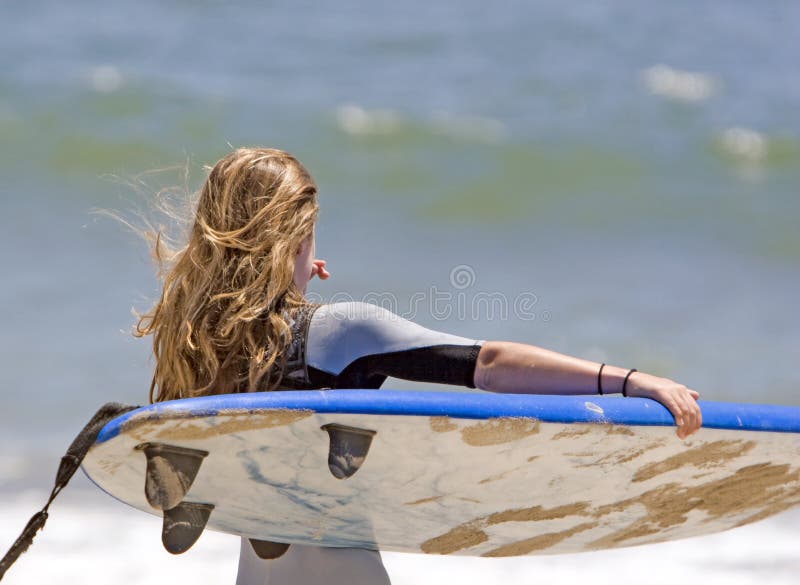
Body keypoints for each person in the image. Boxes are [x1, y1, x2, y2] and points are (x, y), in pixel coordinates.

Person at [133, 147, 701, 585]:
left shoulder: (199, 354)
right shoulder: (340, 331)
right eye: (307, 241)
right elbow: (490, 365)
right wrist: (628, 380)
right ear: (292, 242)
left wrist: (290, 281)